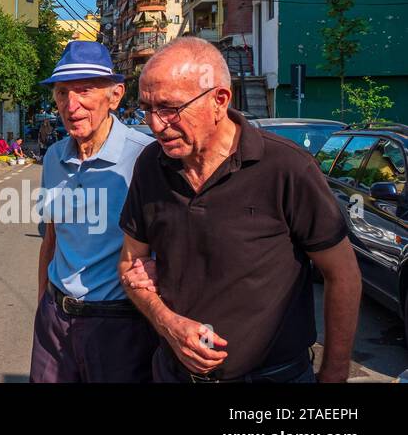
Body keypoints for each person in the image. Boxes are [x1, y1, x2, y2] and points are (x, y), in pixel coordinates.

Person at [118, 37, 362, 383]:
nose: (156, 124)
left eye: (170, 109)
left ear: (219, 101)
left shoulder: (286, 167)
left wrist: (334, 374)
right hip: (173, 374)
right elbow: (130, 266)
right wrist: (166, 321)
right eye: (146, 108)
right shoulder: (150, 165)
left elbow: (344, 274)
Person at [30, 40, 157, 383]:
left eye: (84, 90)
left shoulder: (146, 158)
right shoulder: (55, 156)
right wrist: (44, 305)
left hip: (119, 325)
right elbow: (52, 239)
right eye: (61, 92)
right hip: (55, 321)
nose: (72, 105)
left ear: (115, 96)